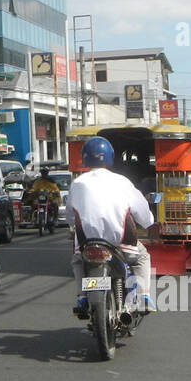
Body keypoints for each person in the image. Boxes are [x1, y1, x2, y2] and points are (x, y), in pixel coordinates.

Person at [64, 136, 155, 319]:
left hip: (87, 244)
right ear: (110, 157)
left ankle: (82, 297)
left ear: (85, 158)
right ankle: (144, 296)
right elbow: (144, 215)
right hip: (122, 244)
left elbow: (70, 215)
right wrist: (149, 222)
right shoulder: (123, 182)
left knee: (78, 260)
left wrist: (73, 226)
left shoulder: (78, 183)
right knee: (142, 257)